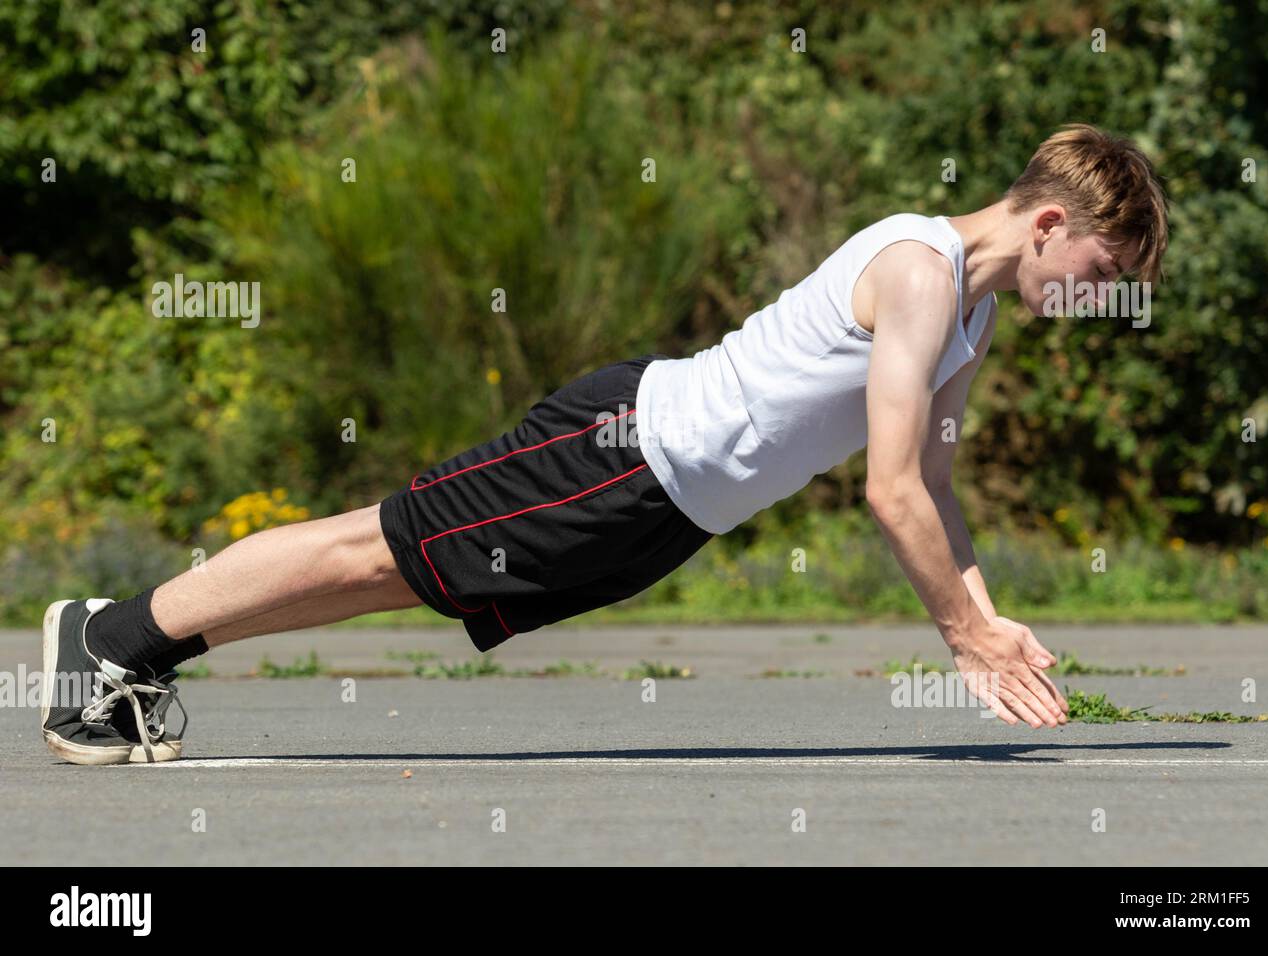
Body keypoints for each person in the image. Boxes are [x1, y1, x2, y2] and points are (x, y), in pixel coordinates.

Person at [40, 123, 1168, 764]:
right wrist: (959, 634)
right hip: (621, 449)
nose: (1096, 298)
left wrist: (987, 619)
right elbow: (885, 492)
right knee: (370, 548)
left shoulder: (967, 315)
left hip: (659, 513)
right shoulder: (922, 270)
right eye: (1105, 273)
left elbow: (930, 478)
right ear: (1050, 223)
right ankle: (109, 636)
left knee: (395, 583)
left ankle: (130, 653)